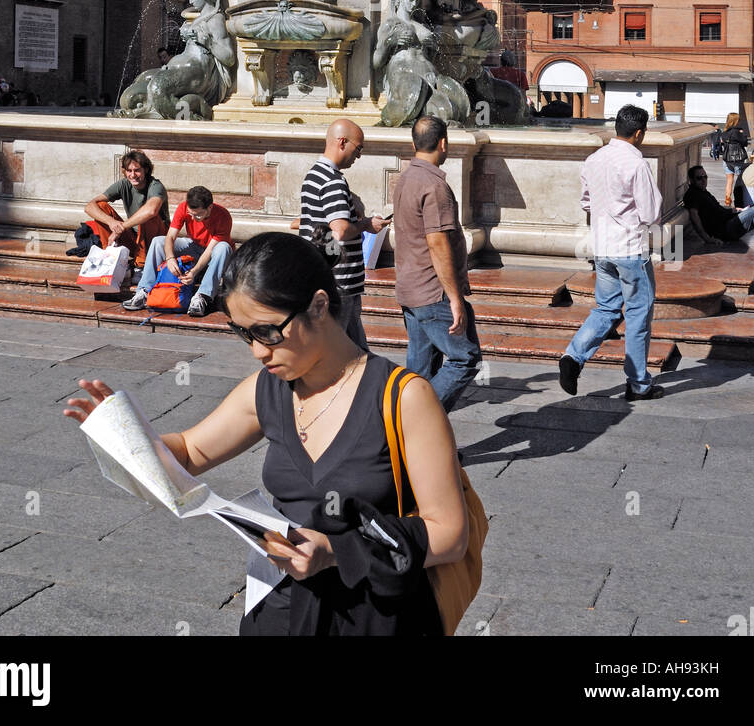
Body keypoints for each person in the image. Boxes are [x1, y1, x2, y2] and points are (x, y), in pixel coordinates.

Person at [64, 233, 469, 636]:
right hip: (281, 607)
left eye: (268, 332)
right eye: (244, 334)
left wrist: (334, 552)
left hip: (374, 614)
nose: (257, 351)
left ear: (319, 306)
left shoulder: (404, 397)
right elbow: (188, 451)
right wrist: (124, 434)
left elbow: (450, 534)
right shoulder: (267, 390)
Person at [559, 104, 664, 400]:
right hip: (630, 249)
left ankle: (573, 356)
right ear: (640, 133)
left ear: (617, 128)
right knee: (638, 316)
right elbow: (651, 212)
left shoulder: (594, 159)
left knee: (605, 309)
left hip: (602, 248)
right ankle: (639, 383)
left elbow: (587, 203)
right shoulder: (636, 164)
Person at [391, 115, 481, 412]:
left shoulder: (405, 179)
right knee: (464, 359)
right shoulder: (434, 185)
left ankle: (408, 445)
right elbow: (437, 242)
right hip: (433, 292)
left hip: (410, 288)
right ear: (443, 143)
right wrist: (455, 298)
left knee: (420, 373)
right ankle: (417, 427)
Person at [299, 119, 387, 349]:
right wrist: (367, 224)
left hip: (327, 275)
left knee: (354, 350)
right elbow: (340, 230)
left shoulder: (314, 175)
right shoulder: (333, 180)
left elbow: (320, 224)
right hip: (340, 281)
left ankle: (367, 380)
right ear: (342, 142)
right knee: (337, 349)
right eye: (358, 148)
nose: (358, 156)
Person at [123, 185, 234, 316]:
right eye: (190, 214)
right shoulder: (183, 207)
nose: (193, 219)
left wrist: (194, 272)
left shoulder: (223, 216)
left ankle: (202, 297)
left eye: (198, 215)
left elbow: (210, 250)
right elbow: (170, 236)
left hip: (215, 254)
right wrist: (170, 259)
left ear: (209, 207)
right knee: (158, 241)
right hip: (194, 246)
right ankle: (144, 291)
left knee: (223, 248)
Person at [82, 151, 170, 264]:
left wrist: (122, 227)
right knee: (101, 206)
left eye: (137, 170)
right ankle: (108, 254)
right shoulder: (124, 184)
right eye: (129, 171)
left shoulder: (156, 186)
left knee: (147, 214)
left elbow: (151, 210)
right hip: (133, 239)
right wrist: (111, 222)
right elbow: (89, 206)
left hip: (158, 241)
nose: (132, 175)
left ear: (146, 170)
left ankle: (141, 265)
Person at [682, 164, 754, 247]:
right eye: (699, 178)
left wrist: (733, 210)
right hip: (725, 229)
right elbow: (695, 217)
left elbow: (717, 210)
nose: (704, 180)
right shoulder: (693, 195)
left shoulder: (703, 192)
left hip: (730, 222)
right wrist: (707, 239)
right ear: (691, 180)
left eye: (705, 177)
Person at [719, 112, 749, 207]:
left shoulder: (725, 132)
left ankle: (727, 200)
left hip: (727, 159)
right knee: (740, 180)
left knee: (729, 181)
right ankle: (740, 201)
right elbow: (745, 143)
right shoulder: (737, 132)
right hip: (737, 159)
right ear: (736, 120)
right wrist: (742, 134)